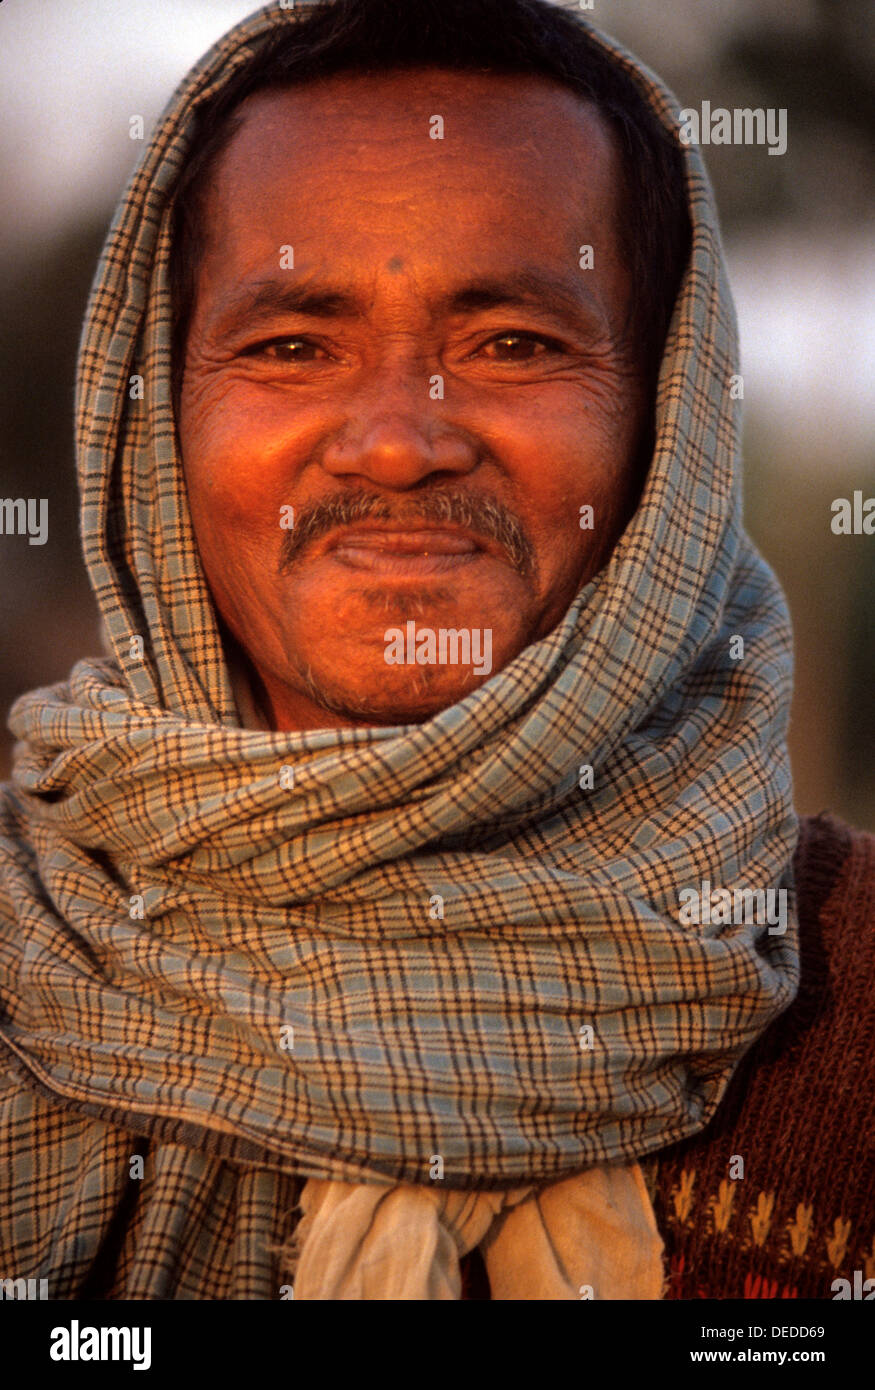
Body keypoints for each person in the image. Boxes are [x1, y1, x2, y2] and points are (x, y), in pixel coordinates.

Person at [0, 0, 871, 1302]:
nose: (401, 442)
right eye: (292, 344)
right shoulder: (33, 948)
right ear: (155, 423)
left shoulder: (850, 1001)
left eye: (512, 343)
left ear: (667, 422)